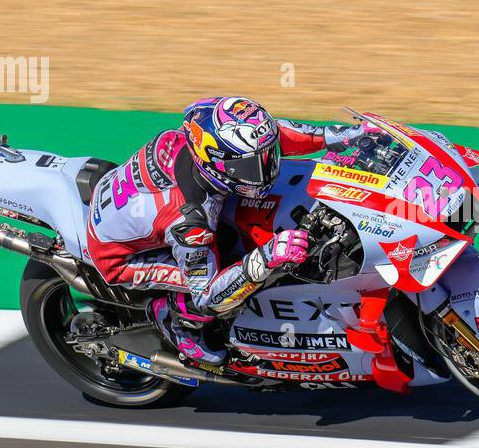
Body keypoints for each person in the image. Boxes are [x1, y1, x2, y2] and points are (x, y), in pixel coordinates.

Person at [85, 96, 367, 363]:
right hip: (121, 258)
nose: (266, 169)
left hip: (133, 206)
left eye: (266, 158)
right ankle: (176, 321)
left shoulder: (204, 134)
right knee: (238, 282)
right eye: (252, 167)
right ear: (220, 167)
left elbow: (277, 135)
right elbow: (208, 294)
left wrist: (343, 136)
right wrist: (265, 257)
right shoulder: (192, 223)